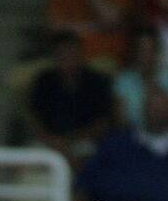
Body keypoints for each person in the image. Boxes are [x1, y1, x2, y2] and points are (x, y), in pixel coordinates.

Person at [26, 30, 113, 166]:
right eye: (62, 55)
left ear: (80, 55)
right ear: (55, 57)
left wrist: (71, 140)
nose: (67, 59)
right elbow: (34, 119)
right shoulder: (44, 81)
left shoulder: (96, 81)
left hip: (85, 142)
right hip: (50, 142)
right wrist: (52, 140)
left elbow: (103, 123)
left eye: (72, 54)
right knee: (29, 159)